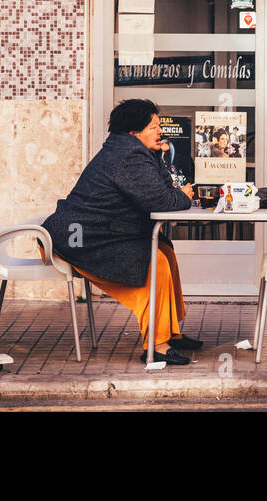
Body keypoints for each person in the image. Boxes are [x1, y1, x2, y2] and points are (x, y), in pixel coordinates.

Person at [43, 99, 202, 365]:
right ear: (133, 132)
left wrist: (158, 154)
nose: (160, 131)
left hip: (94, 232)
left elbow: (161, 190)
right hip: (77, 239)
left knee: (164, 250)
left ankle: (170, 331)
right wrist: (183, 197)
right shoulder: (129, 155)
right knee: (156, 263)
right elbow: (161, 201)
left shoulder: (134, 151)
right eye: (153, 127)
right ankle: (157, 346)